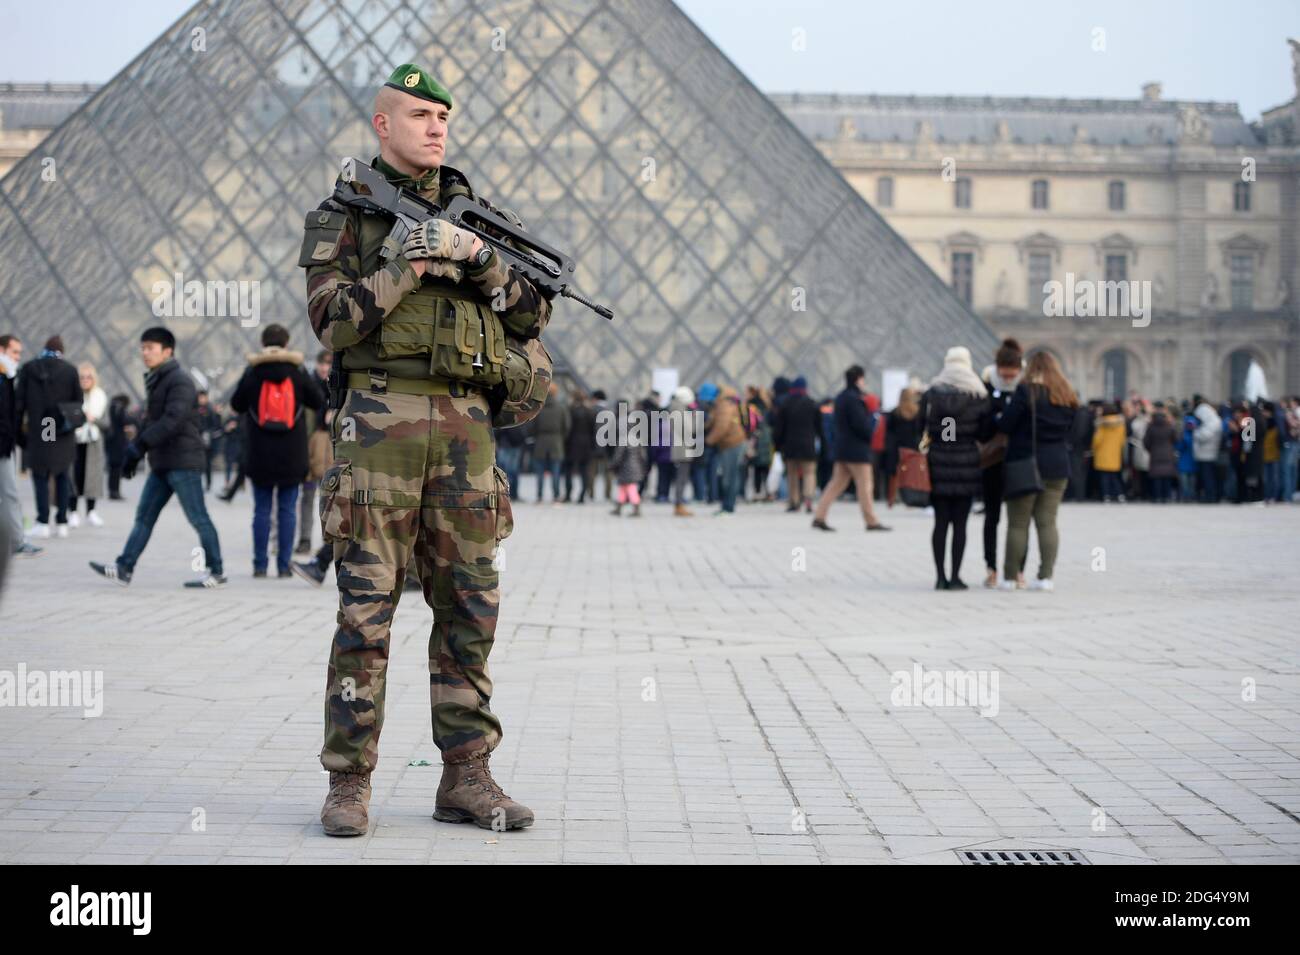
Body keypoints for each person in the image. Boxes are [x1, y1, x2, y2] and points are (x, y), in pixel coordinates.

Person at [301, 63, 550, 836]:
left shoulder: (485, 221)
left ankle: (467, 777)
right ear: (383, 125)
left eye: (443, 114)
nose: (436, 126)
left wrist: (480, 260)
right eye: (418, 114)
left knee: (471, 611)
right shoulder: (343, 216)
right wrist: (408, 259)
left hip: (468, 434)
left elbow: (534, 314)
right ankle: (349, 784)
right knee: (365, 615)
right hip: (379, 422)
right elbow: (334, 321)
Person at [88, 327, 225, 588]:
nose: (145, 352)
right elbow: (154, 420)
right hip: (164, 461)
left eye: (150, 347)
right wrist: (138, 449)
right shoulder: (160, 378)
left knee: (198, 517)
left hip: (183, 462)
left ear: (167, 351)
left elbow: (172, 421)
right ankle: (124, 567)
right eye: (142, 347)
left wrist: (138, 446)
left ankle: (217, 571)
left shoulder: (179, 381)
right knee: (144, 517)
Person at [228, 324, 324, 577]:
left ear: (263, 343)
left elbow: (236, 404)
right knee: (287, 510)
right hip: (292, 454)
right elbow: (318, 401)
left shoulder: (254, 372)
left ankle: (259, 565)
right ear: (287, 344)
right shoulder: (297, 371)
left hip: (259, 453)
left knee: (261, 510)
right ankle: (283, 567)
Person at [996, 350, 1076, 591]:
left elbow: (1006, 425)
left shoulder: (1025, 392)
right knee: (1047, 522)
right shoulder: (1066, 395)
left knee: (1018, 523)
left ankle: (1010, 578)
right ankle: (1045, 577)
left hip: (1025, 463)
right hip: (1057, 464)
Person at [921, 347, 989, 589]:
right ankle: (956, 576)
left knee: (940, 523)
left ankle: (940, 577)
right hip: (966, 463)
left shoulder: (931, 394)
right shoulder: (978, 395)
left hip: (938, 462)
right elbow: (984, 432)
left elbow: (923, 429)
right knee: (960, 525)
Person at [14, 335, 81, 539]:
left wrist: (19, 433)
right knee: (61, 474)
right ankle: (62, 521)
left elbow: (19, 404)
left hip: (41, 426)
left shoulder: (28, 368)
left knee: (41, 475)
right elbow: (78, 402)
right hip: (60, 428)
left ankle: (42, 520)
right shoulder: (70, 370)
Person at [812, 365, 890, 532]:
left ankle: (819, 516)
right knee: (865, 485)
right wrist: (873, 418)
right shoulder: (855, 399)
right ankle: (871, 521)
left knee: (835, 484)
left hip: (842, 448)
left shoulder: (840, 397)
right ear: (859, 379)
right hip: (857, 451)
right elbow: (861, 426)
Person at [978, 338, 1023, 587]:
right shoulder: (985, 386)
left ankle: (1017, 570)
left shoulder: (1026, 387)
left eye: (1011, 375)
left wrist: (999, 417)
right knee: (992, 516)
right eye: (1004, 375)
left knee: (1018, 519)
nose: (1007, 379)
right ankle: (992, 567)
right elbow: (983, 424)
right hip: (993, 459)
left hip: (1017, 459)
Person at [0, 334, 41, 558]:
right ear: (2, 350)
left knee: (9, 493)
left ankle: (16, 539)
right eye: (14, 352)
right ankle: (16, 540)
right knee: (10, 493)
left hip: (5, 444)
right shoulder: (4, 377)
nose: (18, 357)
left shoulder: (8, 377)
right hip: (3, 444)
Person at [297, 350, 334, 554]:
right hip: (311, 449)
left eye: (328, 364)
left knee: (328, 498)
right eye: (322, 363)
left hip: (330, 451)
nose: (324, 368)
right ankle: (304, 539)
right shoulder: (308, 386)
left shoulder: (337, 387)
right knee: (308, 495)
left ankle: (327, 542)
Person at [68, 362, 108, 527]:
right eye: (82, 377)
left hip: (93, 442)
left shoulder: (100, 396)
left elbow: (106, 425)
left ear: (94, 379)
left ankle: (91, 511)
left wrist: (94, 419)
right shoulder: (72, 396)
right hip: (75, 440)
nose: (85, 380)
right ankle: (73, 512)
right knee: (74, 476)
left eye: (88, 377)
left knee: (92, 477)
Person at [774, 376, 819, 513]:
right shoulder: (812, 403)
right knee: (809, 473)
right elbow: (818, 426)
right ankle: (808, 499)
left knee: (792, 474)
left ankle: (794, 501)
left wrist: (778, 445)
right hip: (807, 444)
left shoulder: (785, 404)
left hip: (790, 445)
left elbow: (779, 428)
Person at [705, 385, 746, 515]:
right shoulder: (723, 404)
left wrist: (708, 441)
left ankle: (728, 506)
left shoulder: (724, 405)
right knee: (730, 475)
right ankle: (727, 505)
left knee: (729, 476)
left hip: (732, 444)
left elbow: (722, 427)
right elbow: (713, 422)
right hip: (729, 444)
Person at [883, 386, 923, 507]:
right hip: (912, 446)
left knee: (894, 474)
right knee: (911, 474)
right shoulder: (917, 412)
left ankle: (891, 498)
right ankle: (911, 498)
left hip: (896, 447)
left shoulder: (894, 412)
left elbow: (888, 431)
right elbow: (919, 430)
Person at [610, 402, 648, 516]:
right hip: (635, 467)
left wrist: (613, 465)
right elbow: (643, 455)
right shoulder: (637, 438)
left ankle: (636, 508)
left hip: (626, 468)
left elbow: (619, 455)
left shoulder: (623, 439)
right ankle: (619, 507)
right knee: (623, 487)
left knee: (630, 488)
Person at [531, 382, 567, 503]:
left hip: (541, 441)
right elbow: (566, 426)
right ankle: (556, 496)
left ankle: (539, 496)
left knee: (540, 472)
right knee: (555, 471)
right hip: (556, 442)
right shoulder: (561, 408)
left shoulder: (538, 408)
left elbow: (533, 427)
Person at [669, 385, 696, 517]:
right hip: (683, 450)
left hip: (679, 449)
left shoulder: (675, 409)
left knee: (681, 478)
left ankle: (678, 504)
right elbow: (690, 430)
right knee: (682, 478)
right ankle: (679, 505)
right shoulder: (681, 411)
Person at [563, 390, 595, 503]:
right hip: (586, 445)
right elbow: (594, 431)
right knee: (584, 471)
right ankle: (582, 496)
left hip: (571, 444)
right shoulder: (590, 412)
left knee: (568, 470)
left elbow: (566, 428)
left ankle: (568, 494)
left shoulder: (569, 411)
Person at [1144, 402, 1178, 503]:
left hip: (1155, 453)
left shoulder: (1151, 427)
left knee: (1156, 477)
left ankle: (1157, 497)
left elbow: (1146, 441)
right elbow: (1175, 439)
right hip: (1168, 453)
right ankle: (1166, 497)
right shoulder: (1169, 427)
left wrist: (1151, 449)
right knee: (1166, 476)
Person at [1092, 403, 1126, 502]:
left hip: (1103, 453)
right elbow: (1122, 440)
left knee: (1104, 477)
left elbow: (1098, 439)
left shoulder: (1102, 424)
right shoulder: (1121, 424)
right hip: (1115, 453)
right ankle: (1120, 495)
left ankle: (1106, 495)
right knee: (1115, 476)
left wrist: (1093, 447)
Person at [1192, 395, 1221, 503]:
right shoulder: (1212, 421)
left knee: (1208, 477)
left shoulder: (1213, 422)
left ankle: (1210, 496)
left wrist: (1195, 432)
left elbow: (1204, 436)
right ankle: (1206, 495)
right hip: (1203, 454)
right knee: (1204, 477)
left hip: (1208, 454)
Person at [105, 393, 131, 500]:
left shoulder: (112, 406)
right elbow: (124, 420)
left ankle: (112, 491)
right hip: (118, 442)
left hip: (111, 441)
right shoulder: (119, 408)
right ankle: (115, 492)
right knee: (116, 468)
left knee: (113, 468)